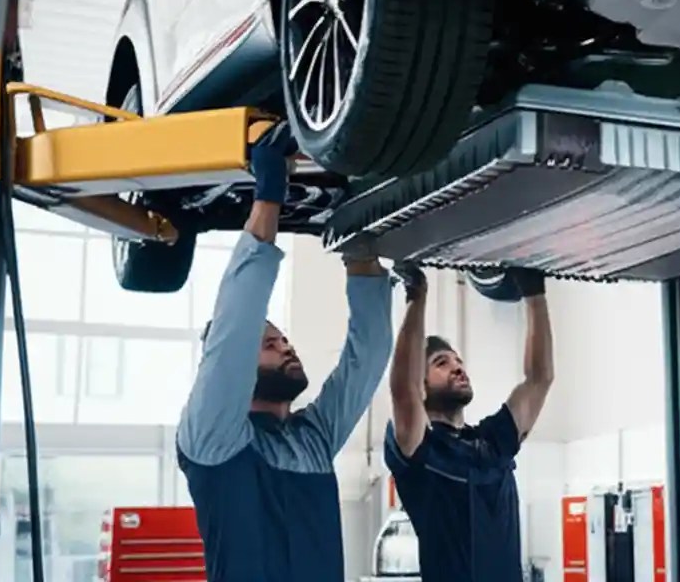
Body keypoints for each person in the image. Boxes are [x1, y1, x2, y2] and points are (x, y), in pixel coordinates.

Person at [176, 121, 395, 582]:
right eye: (270, 343)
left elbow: (366, 355)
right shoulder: (213, 440)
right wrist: (268, 197)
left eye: (281, 339)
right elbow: (235, 328)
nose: (286, 345)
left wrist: (360, 254)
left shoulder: (308, 437)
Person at [384, 264, 554, 582]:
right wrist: (416, 296)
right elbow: (402, 390)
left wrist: (534, 294)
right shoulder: (419, 450)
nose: (458, 368)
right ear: (421, 382)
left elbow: (539, 379)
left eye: (459, 361)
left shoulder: (492, 442)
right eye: (441, 362)